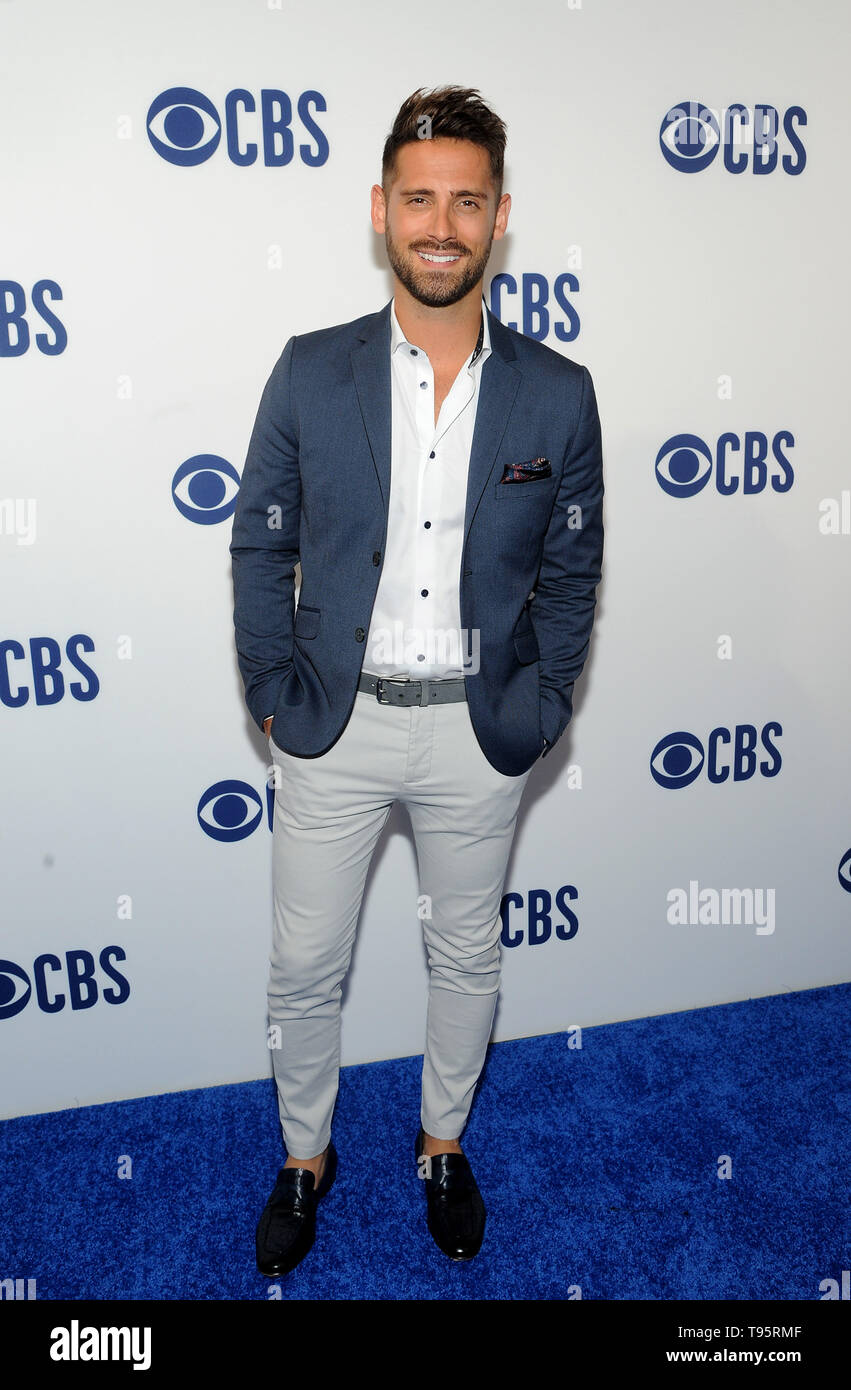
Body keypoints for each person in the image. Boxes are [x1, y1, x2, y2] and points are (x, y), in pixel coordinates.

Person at [229, 84, 604, 1277]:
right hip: (331, 727)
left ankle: (442, 1143)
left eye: (466, 200)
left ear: (499, 218)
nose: (439, 223)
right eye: (418, 198)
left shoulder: (559, 390)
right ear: (380, 209)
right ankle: (304, 1155)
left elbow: (568, 568)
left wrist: (539, 713)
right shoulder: (307, 370)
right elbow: (260, 543)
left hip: (478, 735)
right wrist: (273, 698)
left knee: (466, 955)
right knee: (303, 965)